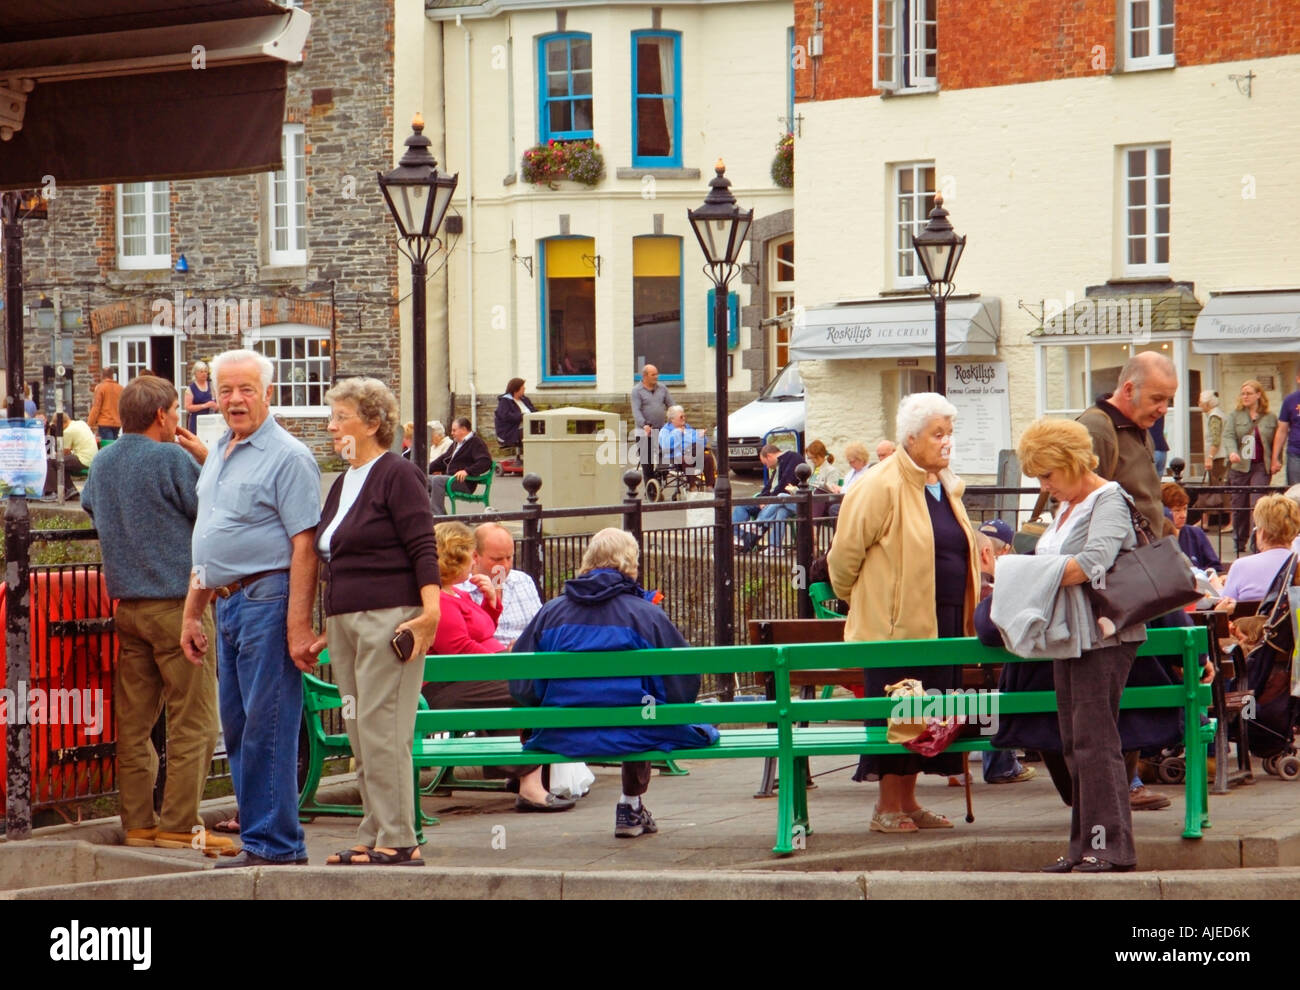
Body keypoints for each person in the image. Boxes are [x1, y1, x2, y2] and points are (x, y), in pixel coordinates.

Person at [180, 349, 322, 868]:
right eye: (226, 390)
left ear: (269, 394)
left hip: (267, 599)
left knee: (269, 724)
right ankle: (262, 837)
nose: (235, 399)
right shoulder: (220, 449)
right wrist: (192, 612)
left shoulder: (289, 456)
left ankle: (276, 844)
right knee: (238, 727)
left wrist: (298, 625)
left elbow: (305, 544)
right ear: (213, 395)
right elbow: (208, 538)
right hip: (228, 601)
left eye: (245, 390)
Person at [81, 376, 233, 858]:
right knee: (194, 721)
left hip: (129, 609)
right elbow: (212, 510)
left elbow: (89, 505)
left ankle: (139, 824)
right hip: (178, 608)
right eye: (173, 412)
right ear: (162, 416)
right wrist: (207, 458)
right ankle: (179, 824)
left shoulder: (104, 461)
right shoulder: (171, 458)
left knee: (134, 724)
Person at [828, 392, 978, 834]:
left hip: (943, 622)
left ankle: (909, 804)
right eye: (937, 434)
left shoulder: (944, 484)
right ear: (910, 438)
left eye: (949, 433)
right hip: (897, 630)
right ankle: (885, 808)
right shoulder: (879, 485)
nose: (946, 442)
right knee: (901, 716)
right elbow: (843, 561)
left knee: (928, 717)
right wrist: (871, 602)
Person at [510, 528, 718, 837]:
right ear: (629, 565)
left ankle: (632, 804)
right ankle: (630, 804)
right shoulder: (646, 615)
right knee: (647, 709)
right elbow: (681, 687)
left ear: (588, 562)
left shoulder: (550, 613)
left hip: (561, 734)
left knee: (640, 707)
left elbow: (523, 687)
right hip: (636, 732)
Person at [1008, 418, 1146, 873]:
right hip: (1073, 635)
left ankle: (1109, 848)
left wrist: (1018, 573)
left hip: (1104, 635)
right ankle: (1084, 848)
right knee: (1076, 742)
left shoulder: (1108, 500)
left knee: (1094, 741)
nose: (1044, 486)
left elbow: (1091, 564)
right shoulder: (1068, 505)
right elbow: (1058, 564)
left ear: (1070, 462)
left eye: (1048, 474)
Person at [314, 378, 442, 867]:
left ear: (371, 423)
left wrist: (429, 613)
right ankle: (372, 831)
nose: (331, 427)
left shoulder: (398, 474)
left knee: (383, 727)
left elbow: (422, 544)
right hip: (347, 620)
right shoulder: (346, 481)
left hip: (390, 618)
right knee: (359, 728)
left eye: (340, 417)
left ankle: (399, 837)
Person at [1076, 351, 1178, 811]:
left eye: (1170, 400)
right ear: (1130, 387)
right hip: (1113, 581)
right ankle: (1120, 784)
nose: (1164, 409)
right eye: (1158, 398)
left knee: (1135, 679)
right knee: (1117, 685)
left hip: (1139, 576)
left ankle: (1129, 778)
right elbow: (1078, 497)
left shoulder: (1134, 428)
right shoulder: (1097, 427)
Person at [425, 521, 574, 812]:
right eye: (469, 555)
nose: (473, 562)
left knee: (526, 691)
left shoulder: (459, 594)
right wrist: (503, 663)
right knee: (528, 688)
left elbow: (483, 631)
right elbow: (459, 650)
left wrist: (492, 602)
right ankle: (530, 784)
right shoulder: (439, 600)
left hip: (473, 678)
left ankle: (529, 784)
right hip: (446, 688)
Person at [971, 521, 1036, 786]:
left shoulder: (960, 590)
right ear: (1005, 551)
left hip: (955, 688)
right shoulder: (1006, 594)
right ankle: (1003, 764)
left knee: (988, 684)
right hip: (996, 685)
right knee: (999, 682)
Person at [459, 522, 543, 649]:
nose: (505, 565)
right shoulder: (459, 590)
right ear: (475, 556)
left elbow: (540, 628)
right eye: (497, 559)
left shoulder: (523, 581)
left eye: (509, 557)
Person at [1224, 379, 1279, 555]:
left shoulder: (1270, 418)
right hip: (1240, 467)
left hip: (1261, 466)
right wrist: (1232, 452)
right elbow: (1228, 436)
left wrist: (1276, 461)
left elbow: (1277, 441)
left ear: (1258, 395)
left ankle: (1257, 542)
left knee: (1258, 504)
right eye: (1243, 393)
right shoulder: (1235, 415)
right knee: (1239, 505)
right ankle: (1239, 541)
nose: (1245, 396)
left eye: (1249, 393)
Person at [1215, 495, 1300, 609]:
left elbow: (1223, 608)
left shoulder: (1241, 566)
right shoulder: (1297, 563)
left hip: (1253, 625)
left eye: (1256, 529)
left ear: (1262, 532)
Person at [732, 443, 802, 554]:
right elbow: (768, 488)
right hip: (771, 501)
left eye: (766, 463)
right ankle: (736, 538)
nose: (767, 467)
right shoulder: (778, 466)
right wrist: (761, 500)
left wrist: (767, 501)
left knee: (780, 510)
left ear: (769, 456)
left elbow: (785, 484)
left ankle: (754, 531)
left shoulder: (792, 458)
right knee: (742, 504)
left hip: (783, 500)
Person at [429, 416, 492, 515]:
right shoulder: (456, 444)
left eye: (454, 430)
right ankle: (430, 513)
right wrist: (422, 470)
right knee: (423, 478)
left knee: (437, 480)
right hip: (450, 478)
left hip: (465, 482)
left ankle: (438, 516)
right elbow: (442, 460)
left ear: (463, 430)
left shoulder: (476, 442)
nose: (452, 433)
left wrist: (467, 471)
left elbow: (485, 462)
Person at [1161, 482, 1222, 574]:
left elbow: (1215, 566)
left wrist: (1207, 573)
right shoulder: (1155, 537)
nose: (1183, 515)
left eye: (1185, 509)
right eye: (1177, 510)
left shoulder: (1196, 533)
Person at [658, 404, 716, 487]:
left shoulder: (687, 427)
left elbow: (699, 442)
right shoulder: (665, 430)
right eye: (681, 417)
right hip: (675, 457)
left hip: (692, 453)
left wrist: (701, 436)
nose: (684, 418)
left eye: (684, 416)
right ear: (672, 419)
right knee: (687, 458)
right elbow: (666, 446)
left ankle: (710, 486)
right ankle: (692, 487)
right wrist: (677, 432)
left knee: (707, 458)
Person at [631, 364, 671, 483]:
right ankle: (651, 490)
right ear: (645, 376)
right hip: (644, 431)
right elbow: (636, 411)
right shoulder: (637, 391)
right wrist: (644, 425)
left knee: (664, 460)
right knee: (647, 463)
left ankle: (658, 484)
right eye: (653, 375)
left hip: (661, 430)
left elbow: (671, 405)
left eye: (657, 374)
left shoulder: (662, 389)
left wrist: (675, 419)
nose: (656, 377)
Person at [43, 413, 96, 500]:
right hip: (92, 458)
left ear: (61, 424)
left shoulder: (68, 431)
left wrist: (51, 453)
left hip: (83, 459)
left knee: (51, 460)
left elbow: (63, 453)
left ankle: (51, 492)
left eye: (57, 426)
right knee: (63, 462)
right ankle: (70, 489)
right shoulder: (81, 423)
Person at [494, 377, 537, 464]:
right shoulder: (505, 401)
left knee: (542, 431)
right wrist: (523, 416)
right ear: (516, 389)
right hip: (510, 431)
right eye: (522, 387)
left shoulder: (525, 399)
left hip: (527, 426)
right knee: (531, 433)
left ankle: (538, 458)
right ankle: (532, 459)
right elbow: (505, 416)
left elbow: (534, 411)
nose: (524, 388)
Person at [1273, 367, 1300, 486]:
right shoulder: (1290, 400)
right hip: (1296, 453)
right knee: (1294, 491)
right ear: (1298, 379)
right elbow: (1282, 430)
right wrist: (1275, 458)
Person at [88, 367, 123, 441]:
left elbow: (96, 407)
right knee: (114, 445)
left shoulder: (100, 388)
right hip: (117, 422)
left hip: (105, 422)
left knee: (108, 446)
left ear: (102, 375)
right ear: (112, 376)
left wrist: (90, 424)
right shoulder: (120, 388)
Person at [1200, 389, 1228, 484]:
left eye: (1201, 402)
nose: (1199, 404)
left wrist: (1210, 457)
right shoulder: (1218, 414)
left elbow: (1215, 440)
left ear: (1208, 404)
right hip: (1220, 457)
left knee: (1217, 487)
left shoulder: (1214, 417)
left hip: (1218, 458)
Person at [184, 360, 216, 433]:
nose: (204, 374)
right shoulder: (191, 389)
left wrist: (216, 406)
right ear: (195, 373)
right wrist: (205, 405)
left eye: (205, 371)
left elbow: (217, 403)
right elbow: (188, 407)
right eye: (201, 372)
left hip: (211, 421)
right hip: (196, 423)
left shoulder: (212, 386)